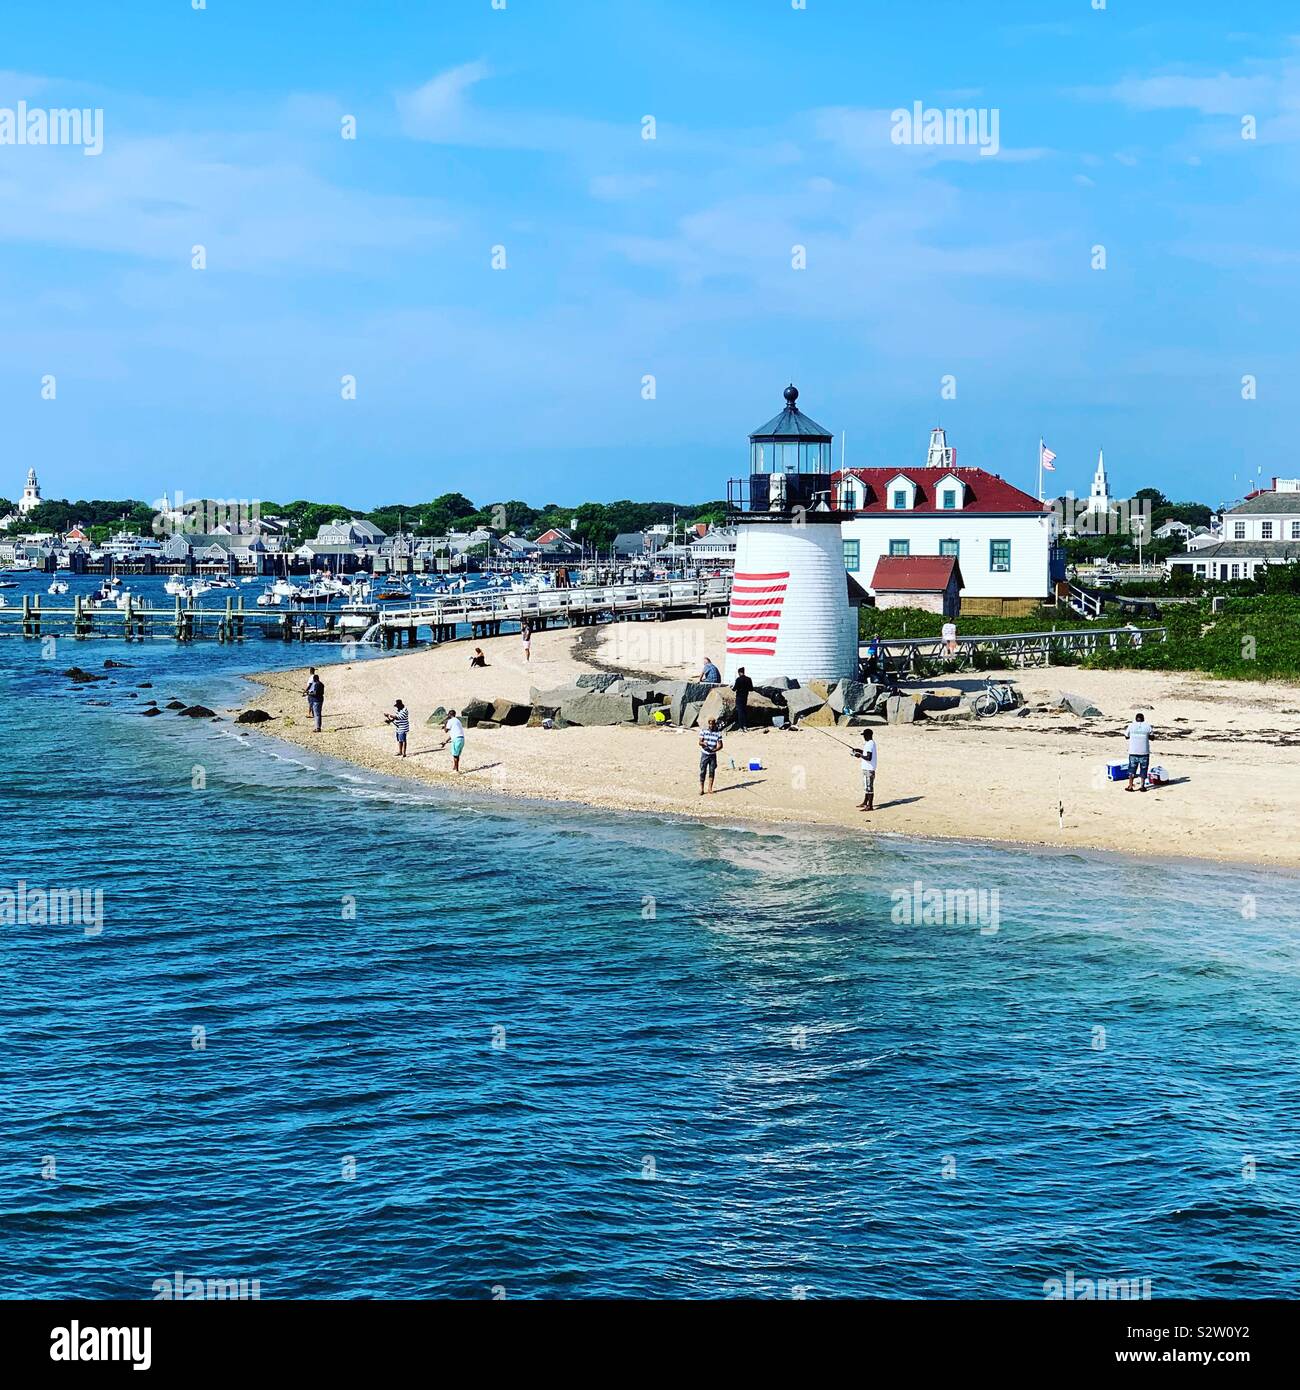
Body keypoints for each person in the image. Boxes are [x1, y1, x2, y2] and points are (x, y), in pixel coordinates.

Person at [1125, 711, 1153, 792]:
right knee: (1143, 769)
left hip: (1133, 751)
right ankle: (1142, 786)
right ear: (1143, 719)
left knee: (1132, 770)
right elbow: (1152, 737)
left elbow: (1126, 736)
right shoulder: (1148, 726)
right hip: (1144, 752)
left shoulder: (1131, 725)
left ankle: (1130, 786)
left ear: (1136, 719)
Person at [852, 728, 878, 812]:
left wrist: (859, 755)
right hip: (866, 768)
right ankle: (865, 802)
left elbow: (869, 757)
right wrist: (859, 751)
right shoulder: (870, 743)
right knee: (866, 787)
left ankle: (870, 806)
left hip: (869, 769)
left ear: (868, 735)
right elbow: (867, 753)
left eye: (864, 735)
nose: (863, 737)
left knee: (869, 788)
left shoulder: (870, 744)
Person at [698, 718, 723, 795]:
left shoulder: (718, 733)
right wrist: (703, 744)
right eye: (710, 724)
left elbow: (720, 745)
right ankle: (701, 789)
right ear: (708, 724)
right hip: (704, 754)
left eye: (713, 724)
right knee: (703, 771)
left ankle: (710, 789)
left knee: (712, 771)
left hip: (712, 755)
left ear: (715, 724)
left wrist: (714, 750)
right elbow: (700, 742)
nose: (711, 725)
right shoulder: (703, 731)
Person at [443, 709, 466, 773]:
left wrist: (445, 724)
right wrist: (445, 742)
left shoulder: (450, 721)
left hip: (456, 740)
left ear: (449, 715)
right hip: (462, 739)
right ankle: (455, 767)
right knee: (457, 755)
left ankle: (456, 770)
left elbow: (445, 731)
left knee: (455, 755)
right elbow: (453, 734)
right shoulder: (458, 721)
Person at [732, 666, 754, 730]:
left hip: (739, 697)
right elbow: (751, 689)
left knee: (740, 712)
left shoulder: (738, 679)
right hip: (745, 697)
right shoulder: (749, 679)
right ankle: (745, 725)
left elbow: (734, 689)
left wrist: (732, 688)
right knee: (744, 711)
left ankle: (741, 726)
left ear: (739, 672)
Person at [304, 668, 325, 733]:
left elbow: (315, 693)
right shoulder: (321, 684)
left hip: (316, 701)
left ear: (314, 679)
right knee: (318, 714)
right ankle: (318, 727)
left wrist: (308, 693)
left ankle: (318, 728)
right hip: (320, 699)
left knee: (317, 715)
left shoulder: (316, 684)